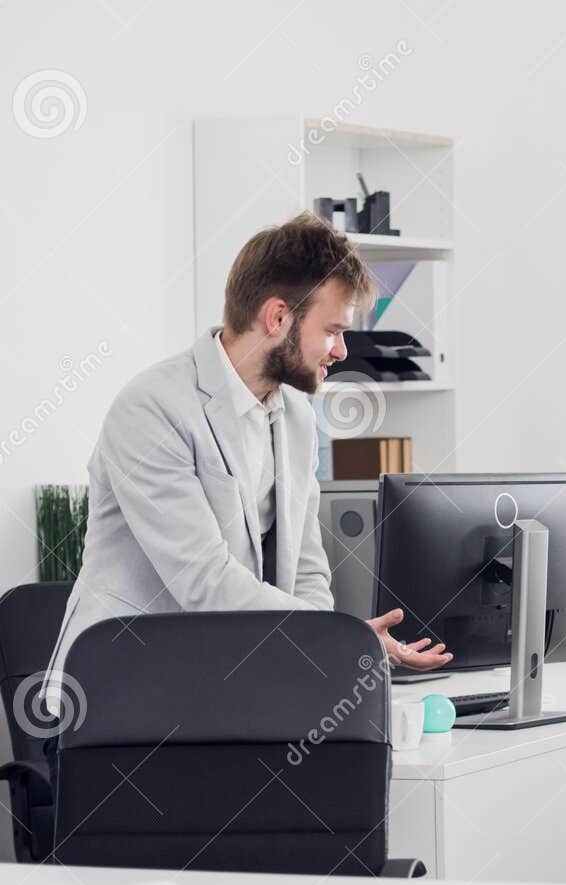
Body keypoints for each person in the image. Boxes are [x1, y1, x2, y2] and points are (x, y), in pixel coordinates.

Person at [43, 213, 450, 722]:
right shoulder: (151, 408)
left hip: (225, 694)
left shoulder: (298, 413)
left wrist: (325, 662)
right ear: (278, 317)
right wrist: (337, 637)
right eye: (333, 331)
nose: (343, 352)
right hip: (117, 702)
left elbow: (305, 566)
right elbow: (204, 581)